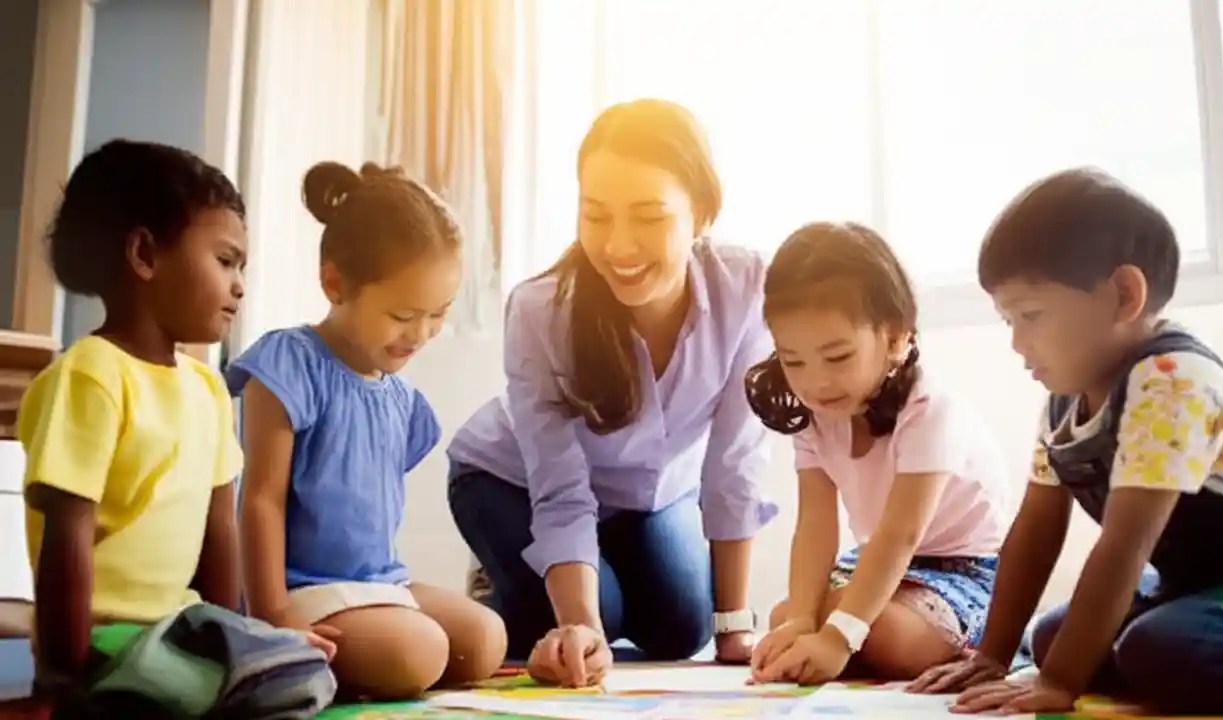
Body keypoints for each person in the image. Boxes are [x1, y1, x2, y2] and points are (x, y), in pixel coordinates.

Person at [908, 169, 1223, 715]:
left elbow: (1124, 546)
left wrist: (1058, 683)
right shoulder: (1066, 400)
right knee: (1051, 637)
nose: (1016, 342)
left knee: (1152, 649)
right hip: (1204, 583)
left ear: (1124, 295)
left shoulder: (1172, 381)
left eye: (1031, 315)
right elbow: (1036, 529)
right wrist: (992, 654)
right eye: (1008, 320)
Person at [447, 98, 777, 687]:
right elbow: (558, 486)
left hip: (647, 495)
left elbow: (733, 461)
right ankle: (495, 600)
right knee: (597, 618)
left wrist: (733, 626)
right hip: (510, 481)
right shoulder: (540, 310)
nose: (619, 246)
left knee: (685, 628)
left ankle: (584, 581)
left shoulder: (747, 288)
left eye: (649, 217)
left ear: (702, 213)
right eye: (596, 216)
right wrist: (583, 626)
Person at [15, 139, 317, 691]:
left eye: (241, 267)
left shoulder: (207, 389)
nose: (239, 285)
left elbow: (219, 531)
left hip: (177, 634)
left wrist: (234, 643)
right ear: (145, 255)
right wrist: (63, 673)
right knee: (272, 683)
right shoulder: (90, 375)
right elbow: (67, 534)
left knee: (300, 668)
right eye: (225, 261)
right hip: (105, 645)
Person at [226, 161, 507, 700]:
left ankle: (373, 650)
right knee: (419, 654)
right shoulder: (288, 365)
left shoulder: (400, 398)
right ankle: (301, 656)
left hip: (378, 584)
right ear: (334, 284)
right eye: (403, 315)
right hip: (301, 590)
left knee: (485, 639)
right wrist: (273, 616)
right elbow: (260, 500)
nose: (420, 334)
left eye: (438, 314)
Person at [745, 222, 1013, 686]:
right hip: (875, 562)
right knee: (785, 615)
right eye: (793, 361)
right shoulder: (815, 416)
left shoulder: (930, 411)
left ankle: (877, 640)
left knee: (877, 631)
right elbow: (815, 524)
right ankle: (846, 634)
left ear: (895, 338)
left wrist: (839, 635)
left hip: (965, 570)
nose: (816, 382)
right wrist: (803, 620)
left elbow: (900, 535)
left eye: (837, 357)